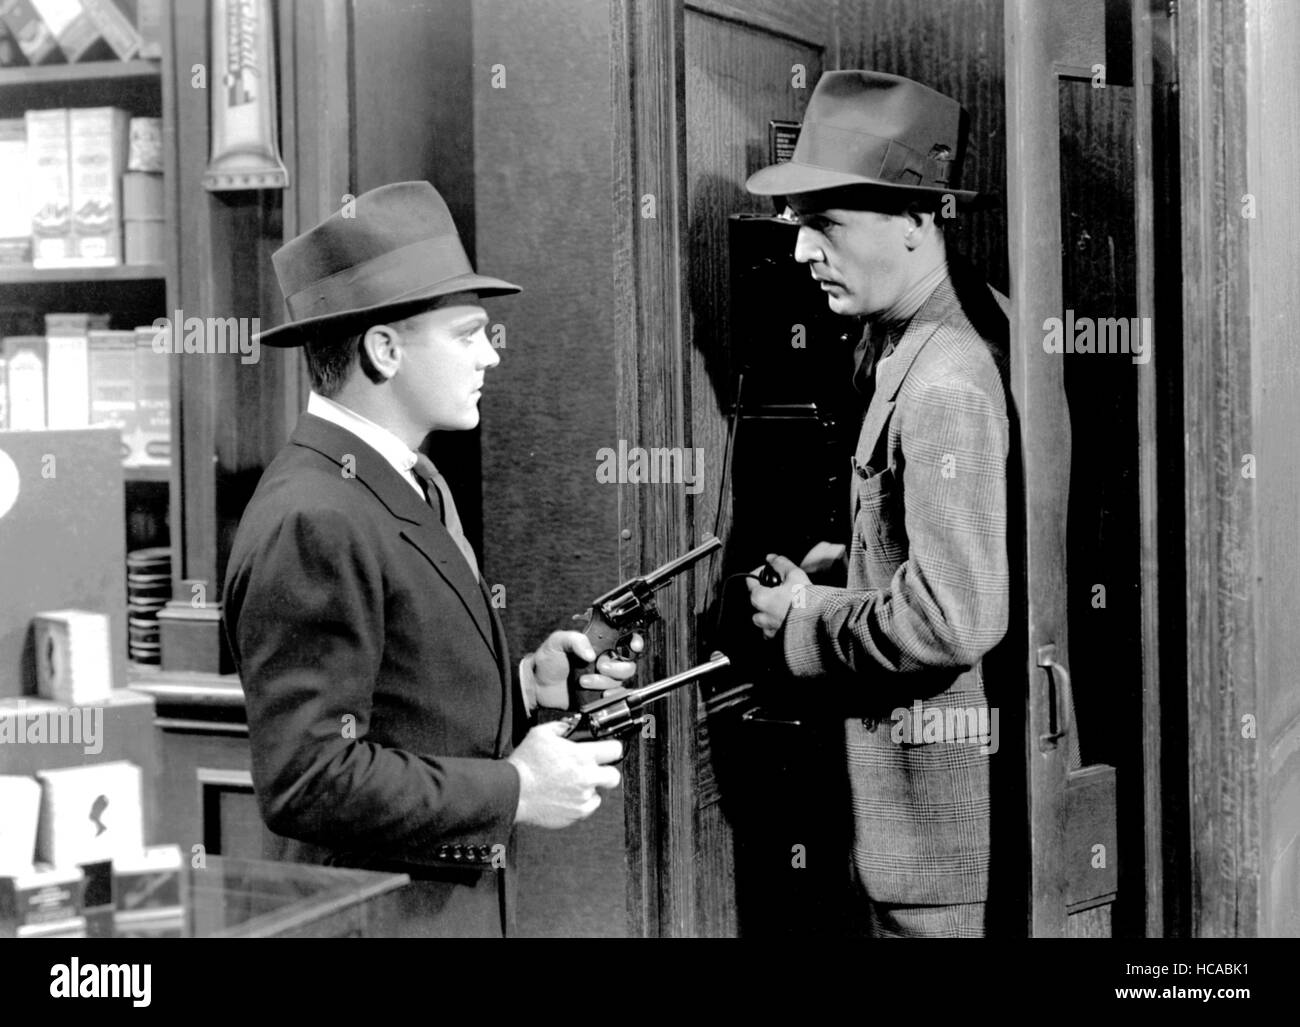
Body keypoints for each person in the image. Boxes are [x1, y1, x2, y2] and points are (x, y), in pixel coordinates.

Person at [222, 181, 638, 937]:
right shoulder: (314, 516)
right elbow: (309, 779)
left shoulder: (404, 477)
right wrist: (515, 787)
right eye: (466, 332)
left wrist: (523, 687)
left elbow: (397, 707)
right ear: (384, 349)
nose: (489, 354)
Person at [744, 71, 1012, 937]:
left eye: (824, 225)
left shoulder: (944, 381)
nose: (800, 253)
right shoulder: (948, 325)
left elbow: (951, 617)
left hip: (940, 843)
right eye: (797, 226)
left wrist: (804, 616)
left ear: (914, 218)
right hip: (942, 829)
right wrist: (852, 563)